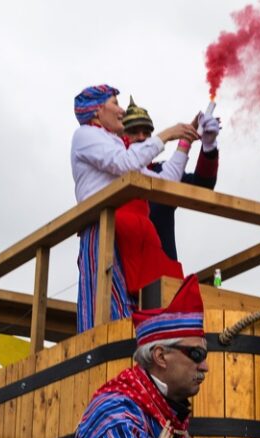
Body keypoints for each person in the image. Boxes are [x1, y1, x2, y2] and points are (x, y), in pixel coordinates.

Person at [42, 274, 209, 438]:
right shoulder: (116, 418)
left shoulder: (165, 416)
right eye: (196, 355)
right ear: (160, 356)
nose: (205, 367)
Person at [70, 84, 200, 332]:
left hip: (134, 239)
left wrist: (184, 142)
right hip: (106, 231)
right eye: (115, 104)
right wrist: (165, 135)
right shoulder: (85, 135)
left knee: (144, 310)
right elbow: (125, 164)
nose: (121, 111)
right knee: (110, 315)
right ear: (97, 111)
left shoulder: (113, 143)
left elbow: (163, 182)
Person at [123, 98, 223, 262]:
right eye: (133, 131)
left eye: (146, 132)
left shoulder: (161, 170)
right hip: (118, 275)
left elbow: (203, 186)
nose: (141, 137)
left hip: (162, 275)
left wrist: (209, 146)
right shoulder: (109, 173)